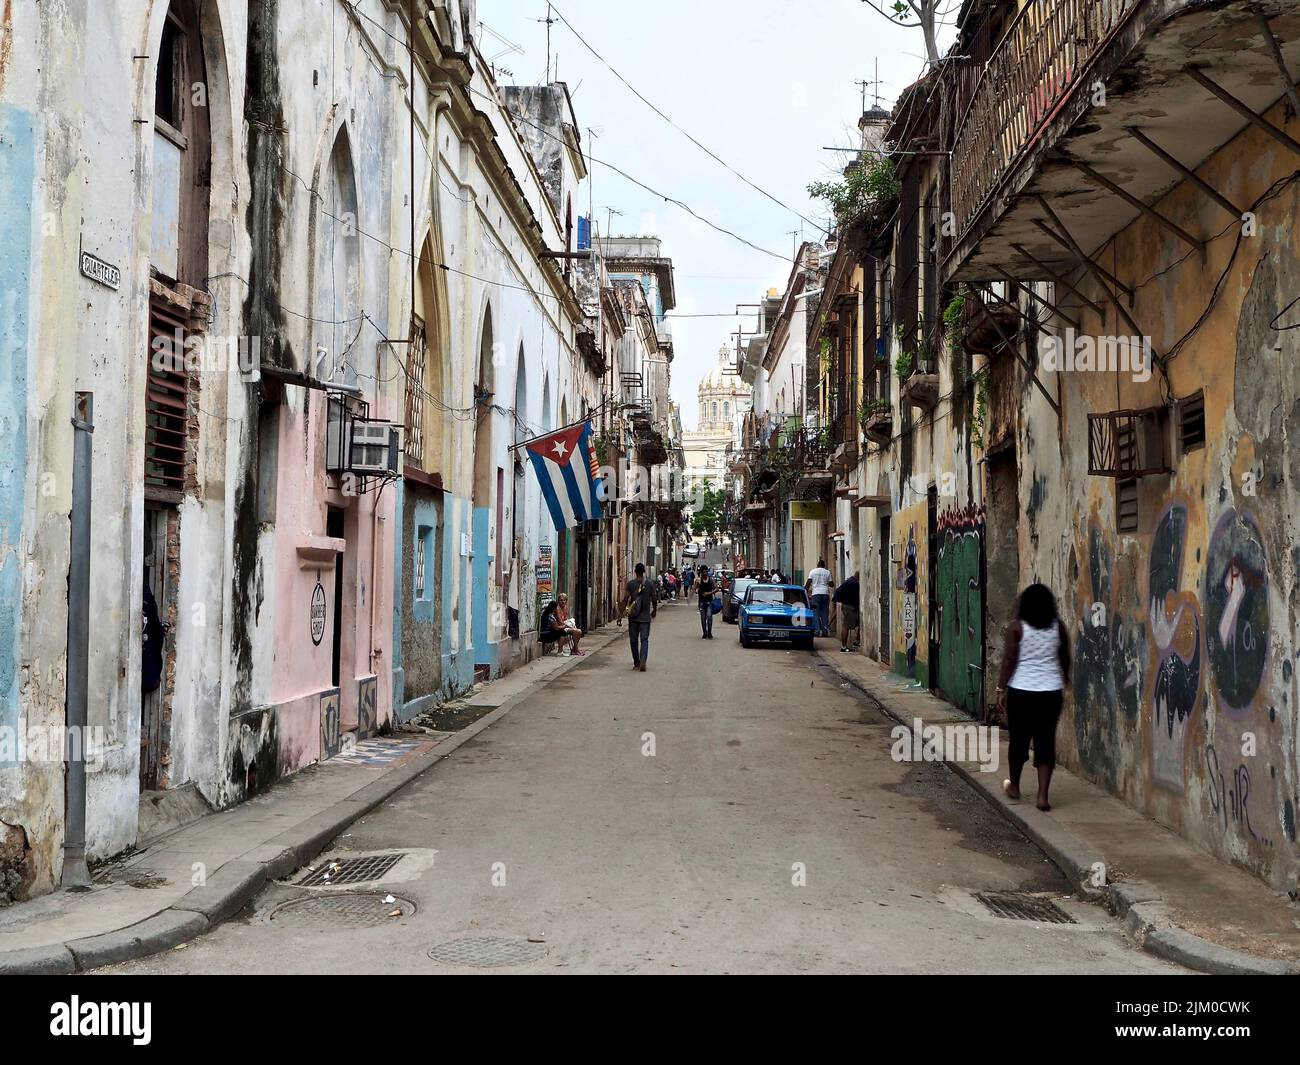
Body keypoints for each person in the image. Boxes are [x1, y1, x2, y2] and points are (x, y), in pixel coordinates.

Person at [996, 583, 1071, 812]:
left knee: (1019, 739)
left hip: (1021, 691)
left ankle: (1015, 786)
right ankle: (1042, 796)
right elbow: (1064, 656)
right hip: (1051, 692)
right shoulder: (1058, 627)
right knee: (1045, 740)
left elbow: (1010, 660)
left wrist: (1000, 689)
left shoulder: (1017, 628)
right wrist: (1065, 679)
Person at [618, 562, 658, 672]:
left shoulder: (631, 584)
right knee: (644, 640)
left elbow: (625, 600)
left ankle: (637, 662)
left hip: (633, 618)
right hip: (645, 618)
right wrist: (654, 610)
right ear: (644, 571)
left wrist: (620, 615)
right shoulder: (650, 584)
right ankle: (643, 661)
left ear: (635, 572)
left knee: (634, 640)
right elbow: (654, 599)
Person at [832, 572, 860, 653]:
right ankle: (843, 647)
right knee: (846, 626)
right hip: (849, 607)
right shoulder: (854, 583)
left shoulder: (848, 581)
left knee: (856, 624)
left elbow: (838, 591)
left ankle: (856, 641)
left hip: (848, 606)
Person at [805, 559, 833, 638]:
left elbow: (808, 582)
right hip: (825, 594)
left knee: (815, 612)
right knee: (825, 612)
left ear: (817, 565)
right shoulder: (827, 572)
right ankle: (824, 630)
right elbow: (831, 584)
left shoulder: (813, 571)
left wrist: (805, 591)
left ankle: (817, 631)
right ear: (824, 565)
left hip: (816, 594)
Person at [696, 563, 716, 639]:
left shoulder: (711, 580)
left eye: (706, 572)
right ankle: (704, 632)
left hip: (709, 602)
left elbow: (716, 588)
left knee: (709, 617)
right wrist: (689, 597)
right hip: (701, 602)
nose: (705, 573)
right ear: (701, 572)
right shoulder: (698, 580)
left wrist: (708, 593)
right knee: (703, 618)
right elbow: (694, 588)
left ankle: (709, 632)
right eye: (703, 572)